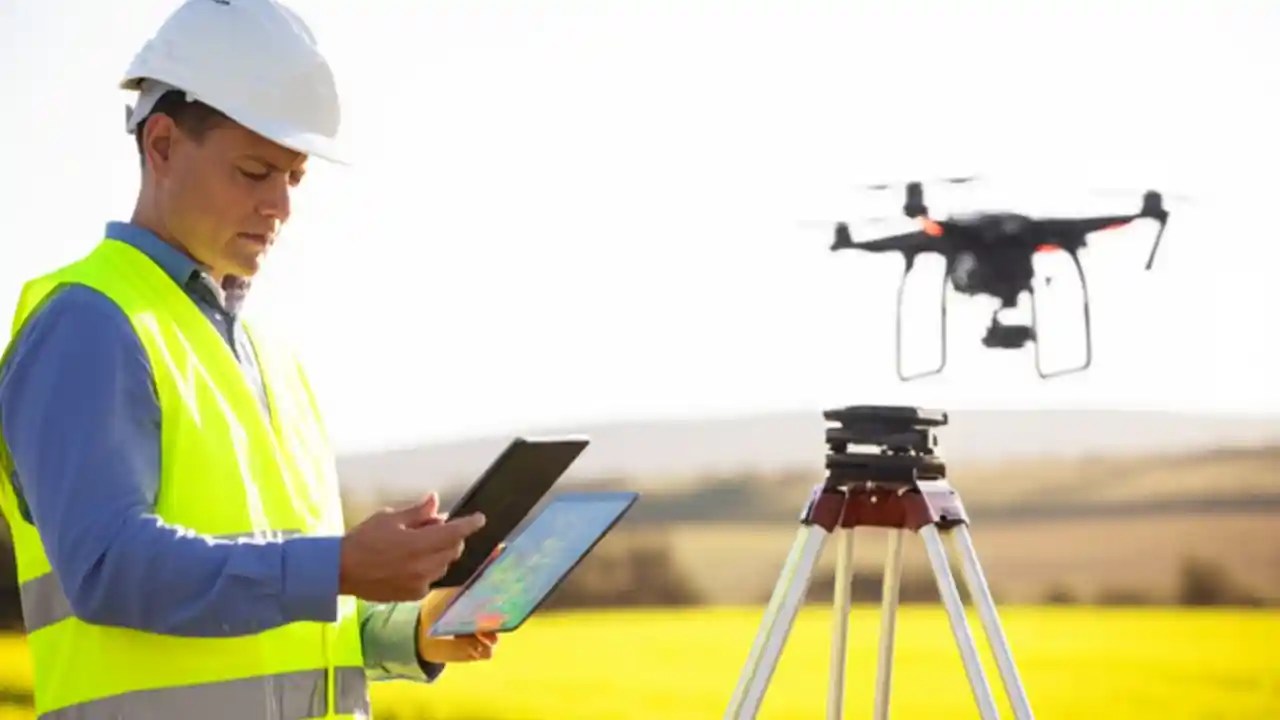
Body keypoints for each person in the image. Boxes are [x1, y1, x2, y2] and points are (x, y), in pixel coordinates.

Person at [0, 1, 498, 717]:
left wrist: (407, 634)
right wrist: (342, 564)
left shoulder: (270, 357)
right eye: (256, 171)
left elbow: (275, 616)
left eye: (293, 178)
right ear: (162, 144)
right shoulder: (89, 323)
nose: (280, 207)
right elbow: (107, 566)